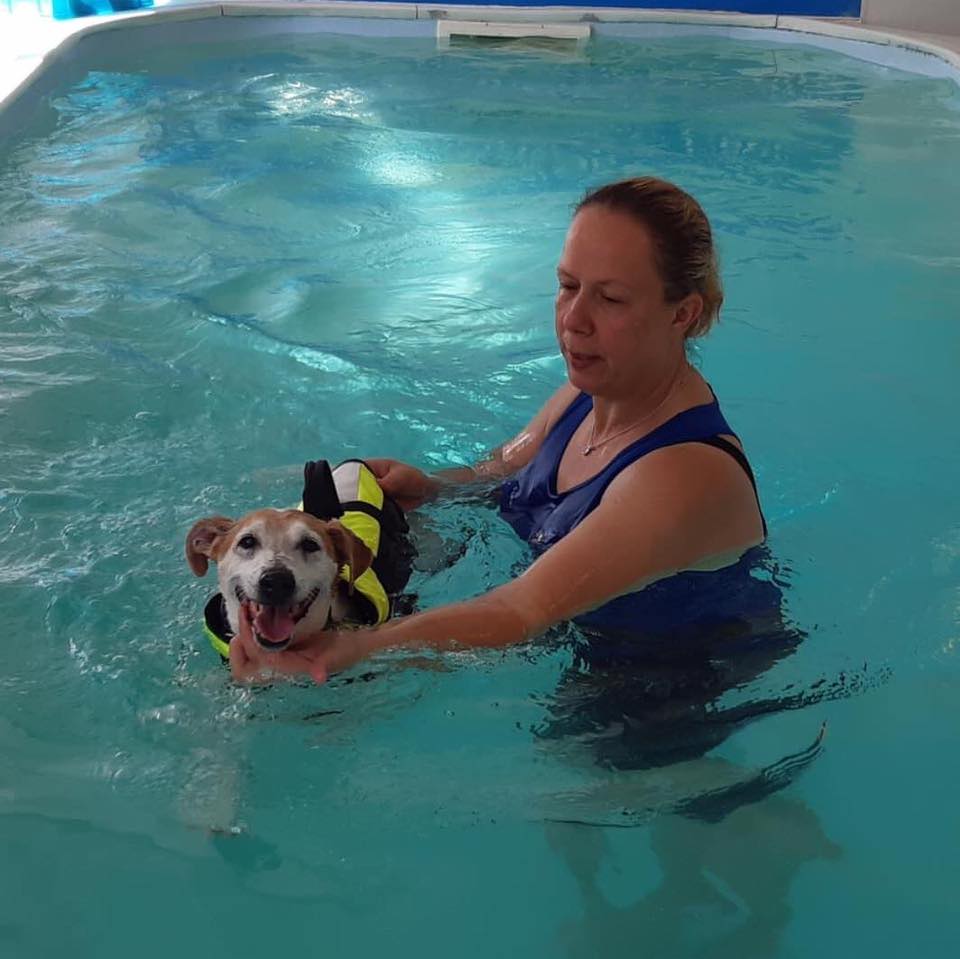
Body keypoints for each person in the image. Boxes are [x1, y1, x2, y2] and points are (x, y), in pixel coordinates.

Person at [230, 176, 770, 685]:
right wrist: (437, 487)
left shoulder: (682, 474)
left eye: (610, 299)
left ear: (683, 314)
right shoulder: (591, 392)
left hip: (668, 704)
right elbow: (502, 470)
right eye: (567, 286)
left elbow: (520, 610)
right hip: (579, 660)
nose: (573, 319)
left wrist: (358, 649)